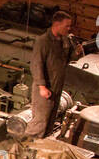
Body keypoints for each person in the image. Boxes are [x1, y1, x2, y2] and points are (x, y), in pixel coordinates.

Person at [26, 10, 80, 138]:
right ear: (56, 24)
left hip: (57, 87)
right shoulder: (43, 41)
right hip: (45, 88)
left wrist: (76, 53)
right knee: (39, 122)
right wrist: (42, 87)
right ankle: (24, 148)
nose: (69, 28)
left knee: (50, 123)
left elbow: (68, 59)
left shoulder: (65, 40)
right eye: (66, 26)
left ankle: (40, 150)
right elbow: (36, 64)